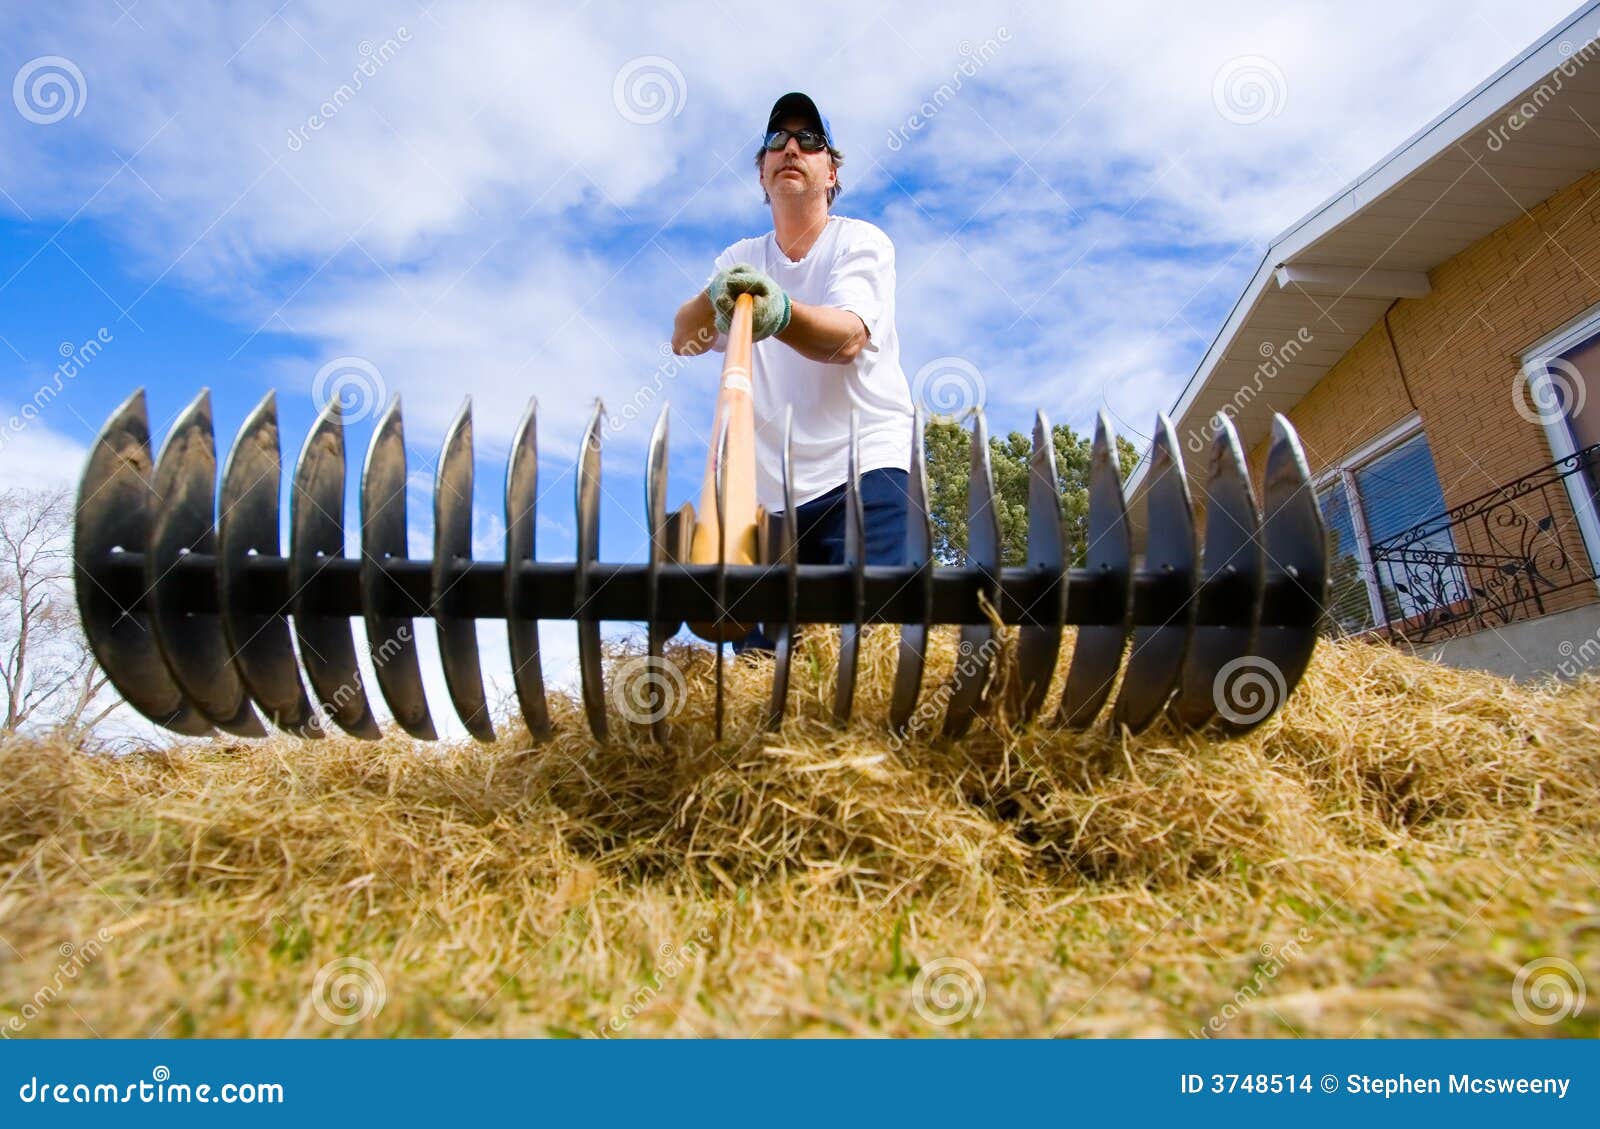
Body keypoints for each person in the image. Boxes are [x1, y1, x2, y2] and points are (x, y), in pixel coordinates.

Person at [672, 92, 915, 653]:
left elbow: (848, 338)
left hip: (864, 472)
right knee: (768, 672)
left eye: (809, 140)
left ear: (831, 172)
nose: (790, 147)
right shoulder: (740, 258)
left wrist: (778, 312)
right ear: (761, 173)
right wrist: (714, 298)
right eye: (776, 139)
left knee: (880, 648)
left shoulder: (860, 242)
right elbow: (685, 340)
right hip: (766, 498)